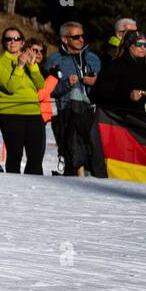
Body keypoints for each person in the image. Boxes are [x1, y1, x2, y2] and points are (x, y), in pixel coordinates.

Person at [43, 21, 101, 176]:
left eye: (82, 36)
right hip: (68, 115)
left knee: (94, 156)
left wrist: (96, 83)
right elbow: (50, 90)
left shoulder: (93, 59)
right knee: (74, 157)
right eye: (76, 37)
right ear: (64, 39)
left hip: (93, 114)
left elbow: (105, 87)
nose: (81, 40)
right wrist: (67, 84)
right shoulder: (55, 60)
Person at [0, 26, 47, 174]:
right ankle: (13, 191)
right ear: (4, 43)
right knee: (15, 156)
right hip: (10, 113)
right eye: (8, 39)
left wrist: (33, 66)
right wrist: (20, 66)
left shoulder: (29, 59)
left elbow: (40, 84)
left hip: (33, 113)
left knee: (36, 157)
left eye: (16, 39)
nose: (13, 42)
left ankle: (34, 189)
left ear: (22, 43)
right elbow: (11, 87)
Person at [93, 29, 146, 119]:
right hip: (123, 121)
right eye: (139, 44)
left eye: (145, 45)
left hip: (145, 123)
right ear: (129, 46)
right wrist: (128, 96)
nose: (143, 48)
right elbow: (101, 94)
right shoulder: (116, 66)